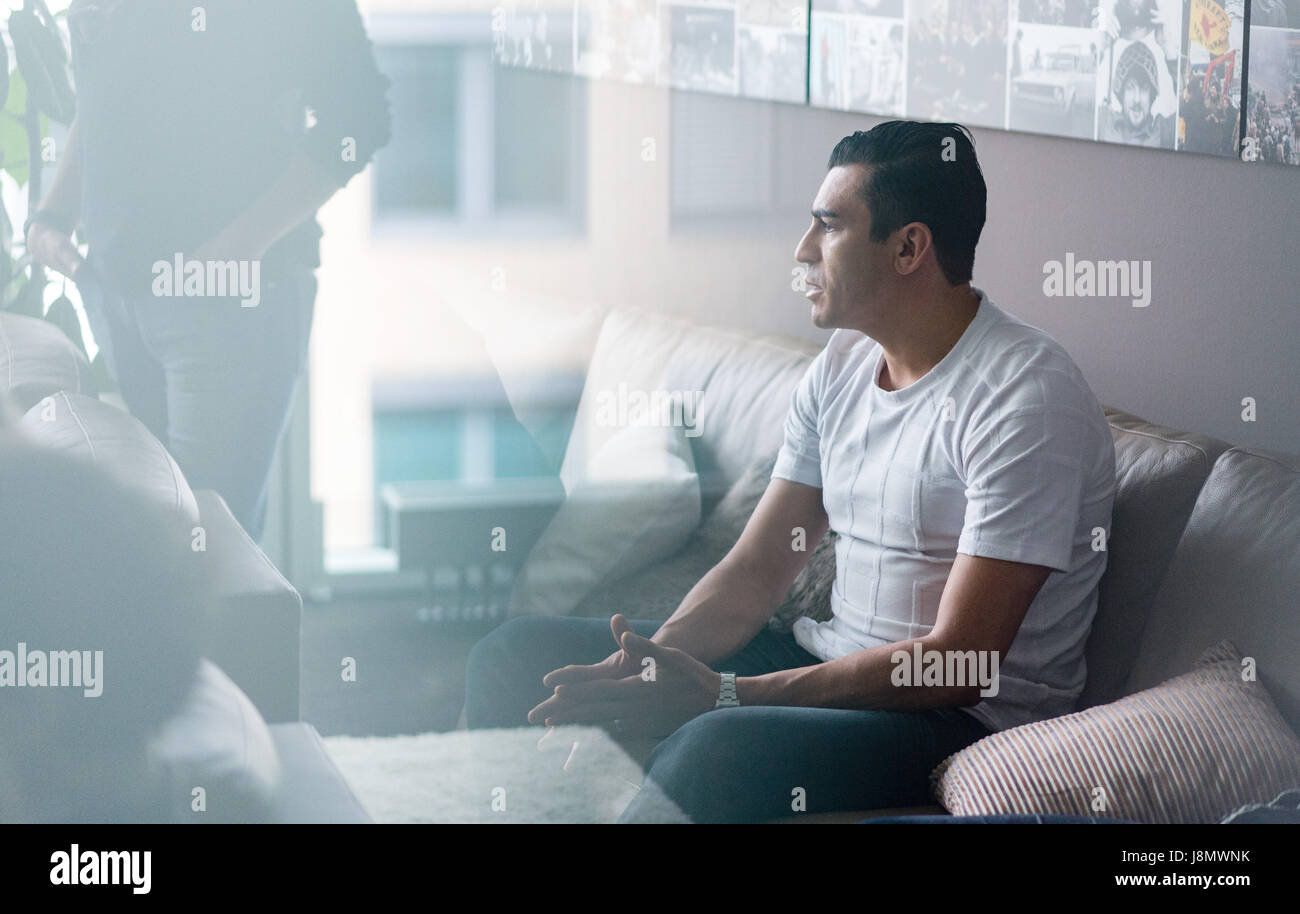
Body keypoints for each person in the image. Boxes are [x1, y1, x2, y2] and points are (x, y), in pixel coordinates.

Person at [465, 121, 1117, 824]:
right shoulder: (841, 364)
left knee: (712, 750)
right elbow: (755, 574)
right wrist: (648, 668)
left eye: (828, 227)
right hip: (826, 659)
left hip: (954, 719)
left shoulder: (1025, 396)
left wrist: (720, 695)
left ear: (908, 248)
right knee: (513, 655)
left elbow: (958, 661)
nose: (803, 252)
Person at [26, 0, 392, 541]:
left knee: (209, 557)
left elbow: (359, 118)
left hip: (226, 307)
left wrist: (236, 247)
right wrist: (53, 214)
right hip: (115, 296)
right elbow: (104, 90)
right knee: (152, 546)